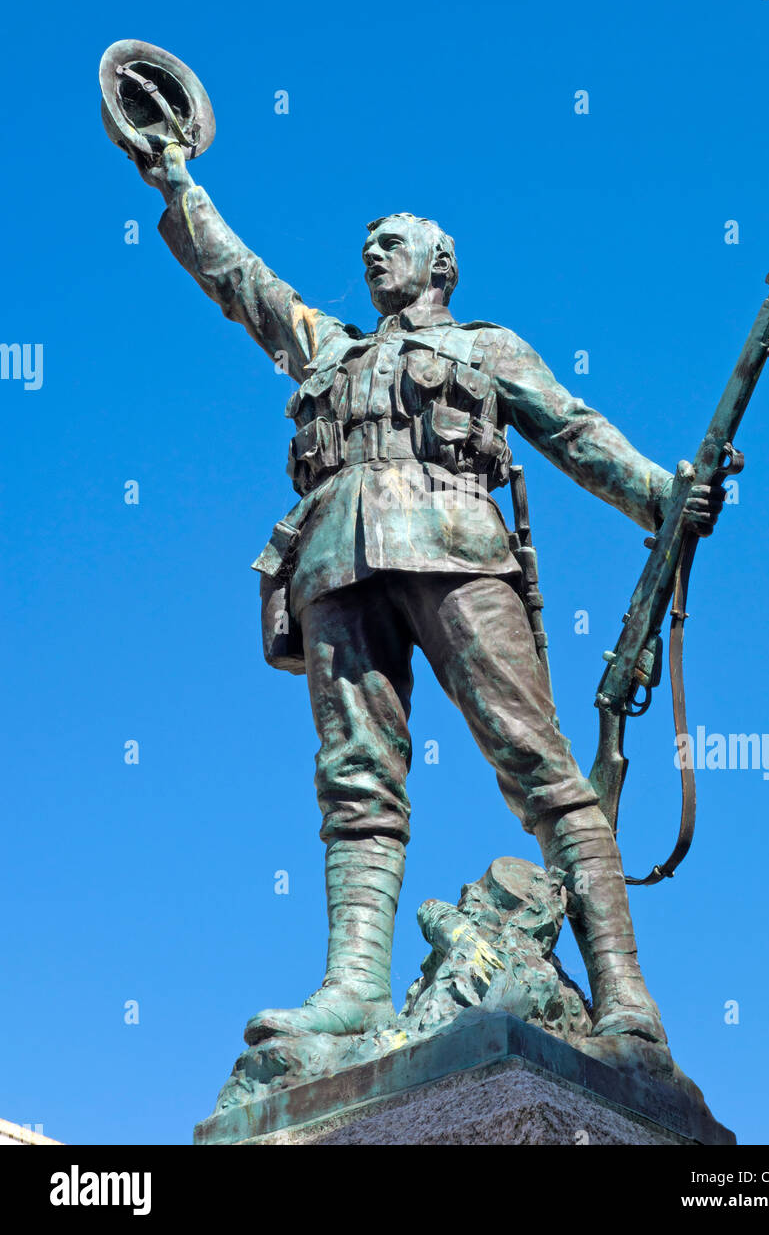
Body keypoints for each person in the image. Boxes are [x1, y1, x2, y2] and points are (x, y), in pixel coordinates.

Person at [131, 142, 722, 1050]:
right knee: (355, 779)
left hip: (453, 543)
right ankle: (356, 990)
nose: (373, 256)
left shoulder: (485, 348)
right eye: (367, 247)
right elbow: (240, 279)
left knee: (538, 761)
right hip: (332, 562)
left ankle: (626, 999)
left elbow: (572, 429)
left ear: (439, 265)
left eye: (393, 243)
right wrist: (177, 183)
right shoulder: (329, 344)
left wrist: (660, 494)